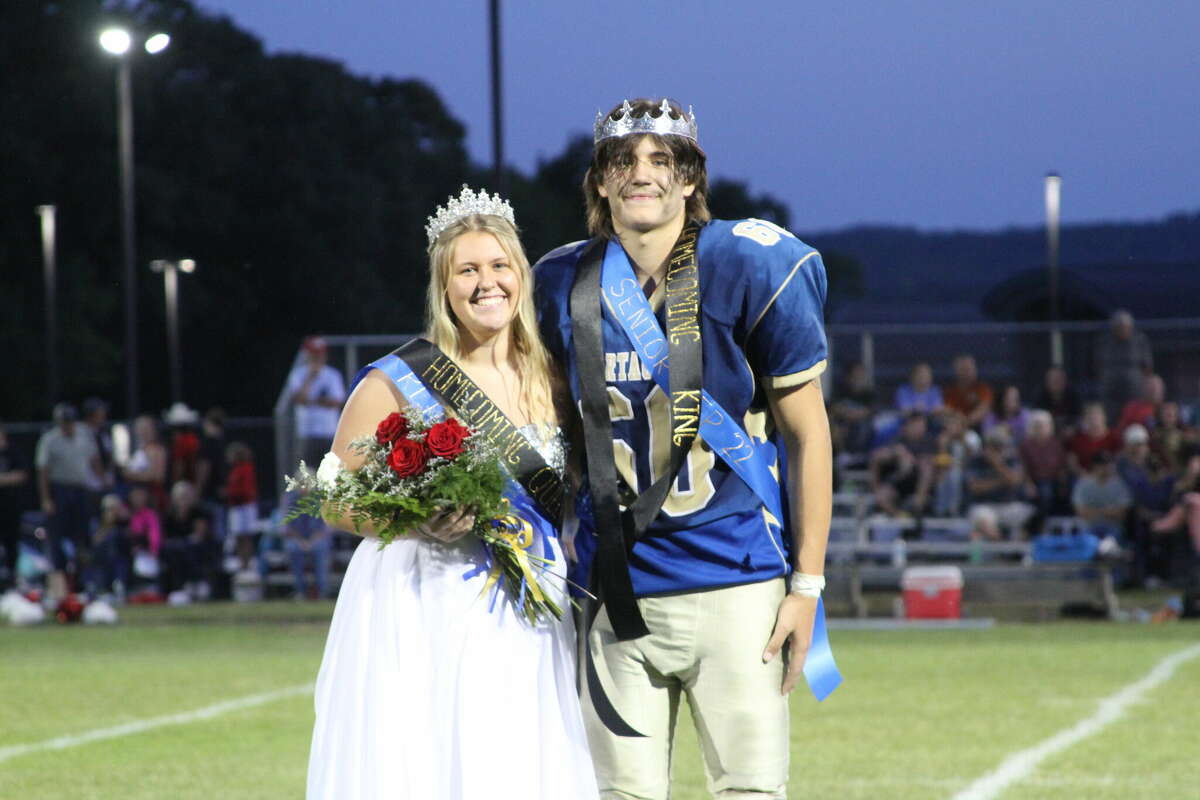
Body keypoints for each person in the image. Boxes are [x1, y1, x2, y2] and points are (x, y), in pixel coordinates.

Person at [535, 97, 837, 799]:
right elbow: (547, 430)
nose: (642, 174)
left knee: (750, 792)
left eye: (662, 159)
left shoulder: (748, 262)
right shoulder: (559, 281)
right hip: (614, 589)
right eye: (623, 160)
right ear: (600, 181)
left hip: (735, 583)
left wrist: (808, 586)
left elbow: (808, 432)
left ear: (691, 179)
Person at [306, 187, 597, 799]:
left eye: (499, 266)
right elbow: (332, 497)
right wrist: (414, 523)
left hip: (528, 603)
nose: (486, 283)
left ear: (520, 276)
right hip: (422, 599)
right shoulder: (400, 377)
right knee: (426, 756)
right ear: (445, 287)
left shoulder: (553, 378)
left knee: (516, 755)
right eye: (467, 270)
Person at [36, 403, 101, 599]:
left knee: (83, 539)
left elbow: (94, 459)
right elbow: (43, 471)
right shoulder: (50, 440)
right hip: (60, 490)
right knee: (56, 540)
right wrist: (46, 499)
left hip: (81, 490)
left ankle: (82, 583)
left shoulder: (84, 435)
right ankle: (60, 587)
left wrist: (101, 479)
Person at [287, 336, 346, 471]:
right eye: (314, 354)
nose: (317, 357)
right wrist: (310, 377)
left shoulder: (333, 374)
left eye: (320, 353)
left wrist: (312, 401)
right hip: (306, 432)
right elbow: (299, 399)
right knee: (307, 472)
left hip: (329, 432)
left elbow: (335, 402)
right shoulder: (298, 374)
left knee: (331, 471)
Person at [965, 426, 1034, 540]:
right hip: (983, 505)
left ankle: (1012, 551)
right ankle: (1003, 548)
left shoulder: (1011, 459)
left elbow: (1014, 481)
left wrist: (997, 464)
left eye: (1000, 446)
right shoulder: (975, 461)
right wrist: (1001, 482)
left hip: (1008, 505)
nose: (998, 449)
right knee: (984, 520)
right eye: (994, 446)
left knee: (1032, 517)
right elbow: (975, 487)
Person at [869, 411, 936, 516]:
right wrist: (895, 453)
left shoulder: (928, 441)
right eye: (917, 425)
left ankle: (917, 506)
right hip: (899, 480)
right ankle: (899, 516)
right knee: (881, 497)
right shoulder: (899, 439)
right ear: (908, 425)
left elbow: (930, 460)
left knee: (926, 467)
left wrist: (910, 458)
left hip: (918, 481)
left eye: (922, 425)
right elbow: (878, 456)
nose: (920, 428)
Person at [1096, 309, 1153, 421]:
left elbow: (1147, 365)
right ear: (1114, 327)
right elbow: (1097, 364)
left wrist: (1144, 382)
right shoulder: (1104, 341)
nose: (1123, 329)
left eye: (1126, 326)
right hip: (1110, 388)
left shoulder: (1140, 340)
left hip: (1134, 389)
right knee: (1110, 415)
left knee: (1133, 413)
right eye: (1119, 326)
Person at [1071, 451, 1132, 543]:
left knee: (1111, 541)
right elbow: (1080, 512)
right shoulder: (1083, 483)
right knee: (1086, 539)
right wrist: (1108, 511)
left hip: (1112, 526)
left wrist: (1094, 511)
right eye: (1103, 465)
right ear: (1095, 466)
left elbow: (1122, 514)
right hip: (1089, 525)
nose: (1107, 468)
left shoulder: (1119, 484)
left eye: (1109, 464)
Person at [0, 423, 31, 590]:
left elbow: (22, 474)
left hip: (11, 507)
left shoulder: (13, 451)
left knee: (12, 544)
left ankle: (11, 579)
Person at [942, 354, 993, 428]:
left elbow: (984, 409)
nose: (970, 372)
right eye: (966, 369)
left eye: (972, 368)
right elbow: (945, 410)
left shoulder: (982, 388)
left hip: (977, 428)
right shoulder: (949, 390)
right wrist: (955, 416)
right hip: (953, 426)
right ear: (957, 371)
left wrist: (966, 422)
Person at [1033, 365, 1082, 435]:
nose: (1056, 382)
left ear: (1064, 380)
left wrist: (1072, 428)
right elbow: (1037, 418)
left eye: (1058, 379)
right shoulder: (1040, 397)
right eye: (1052, 379)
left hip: (1072, 435)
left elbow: (1079, 417)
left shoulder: (1074, 396)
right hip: (1048, 436)